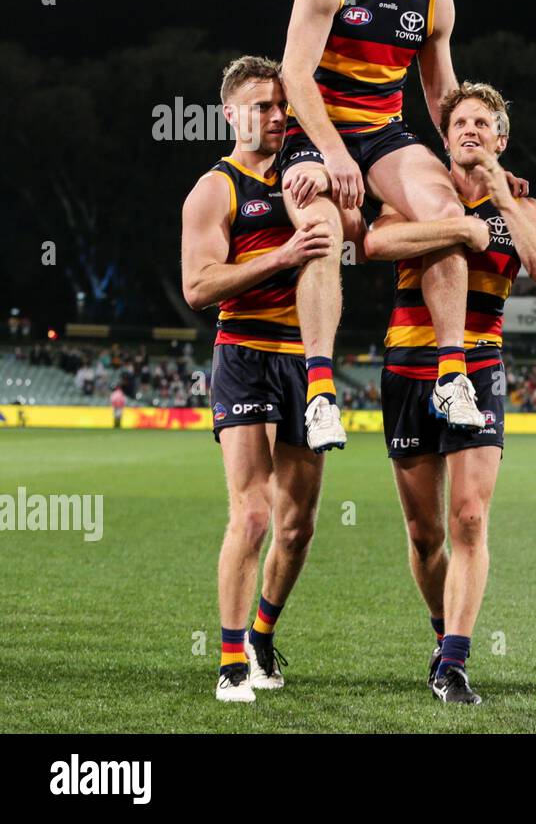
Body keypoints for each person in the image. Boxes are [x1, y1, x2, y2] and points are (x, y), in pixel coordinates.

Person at [278, 0, 487, 453]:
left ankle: (451, 378)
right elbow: (294, 73)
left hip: (384, 135)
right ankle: (322, 396)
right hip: (316, 134)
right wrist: (334, 154)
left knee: (447, 216)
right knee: (320, 232)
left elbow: (443, 95)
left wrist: (470, 163)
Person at [365, 83, 536, 704]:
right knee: (425, 535)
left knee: (470, 518)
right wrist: (457, 228)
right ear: (445, 138)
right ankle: (440, 633)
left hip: (478, 366)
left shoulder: (525, 209)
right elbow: (375, 243)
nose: (470, 130)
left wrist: (501, 202)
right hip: (408, 367)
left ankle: (453, 663)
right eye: (459, 123)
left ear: (502, 138)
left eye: (483, 122)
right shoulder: (414, 191)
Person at [181, 56, 364, 703]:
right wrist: (280, 256)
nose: (277, 116)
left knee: (297, 527)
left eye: (283, 105)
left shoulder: (305, 172)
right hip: (246, 354)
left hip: (302, 361)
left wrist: (337, 183)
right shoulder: (215, 189)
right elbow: (198, 286)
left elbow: (357, 233)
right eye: (262, 105)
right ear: (230, 113)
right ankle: (231, 663)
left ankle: (262, 634)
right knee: (254, 514)